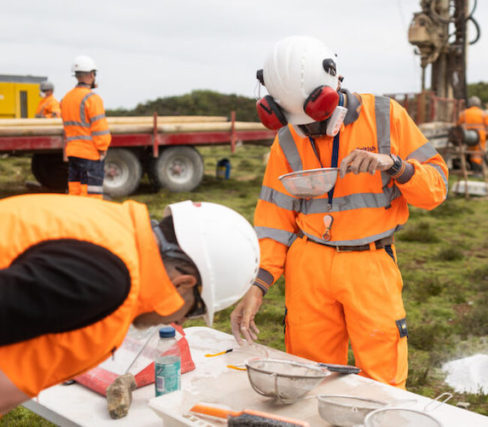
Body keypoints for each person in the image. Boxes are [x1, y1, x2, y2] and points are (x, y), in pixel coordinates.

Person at [230, 36, 449, 389]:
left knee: (382, 384)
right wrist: (258, 285)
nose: (310, 130)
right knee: (306, 377)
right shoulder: (286, 138)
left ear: (336, 85)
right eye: (299, 122)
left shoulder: (386, 116)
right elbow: (273, 220)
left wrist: (395, 165)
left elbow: (436, 189)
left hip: (370, 263)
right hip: (308, 265)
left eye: (317, 118)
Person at [0, 195, 260, 414]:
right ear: (183, 283)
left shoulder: (113, 232)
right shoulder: (105, 280)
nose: (178, 322)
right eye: (192, 312)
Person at [60, 55, 111, 199]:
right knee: (92, 197)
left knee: (75, 195)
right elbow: (100, 129)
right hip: (90, 155)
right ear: (91, 75)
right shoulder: (92, 99)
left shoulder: (66, 98)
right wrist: (102, 148)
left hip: (73, 153)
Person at [457, 95, 488, 173]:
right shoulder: (484, 114)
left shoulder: (464, 113)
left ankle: (470, 170)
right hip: (480, 138)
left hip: (467, 138)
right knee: (477, 156)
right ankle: (477, 172)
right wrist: (487, 137)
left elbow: (457, 126)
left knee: (469, 153)